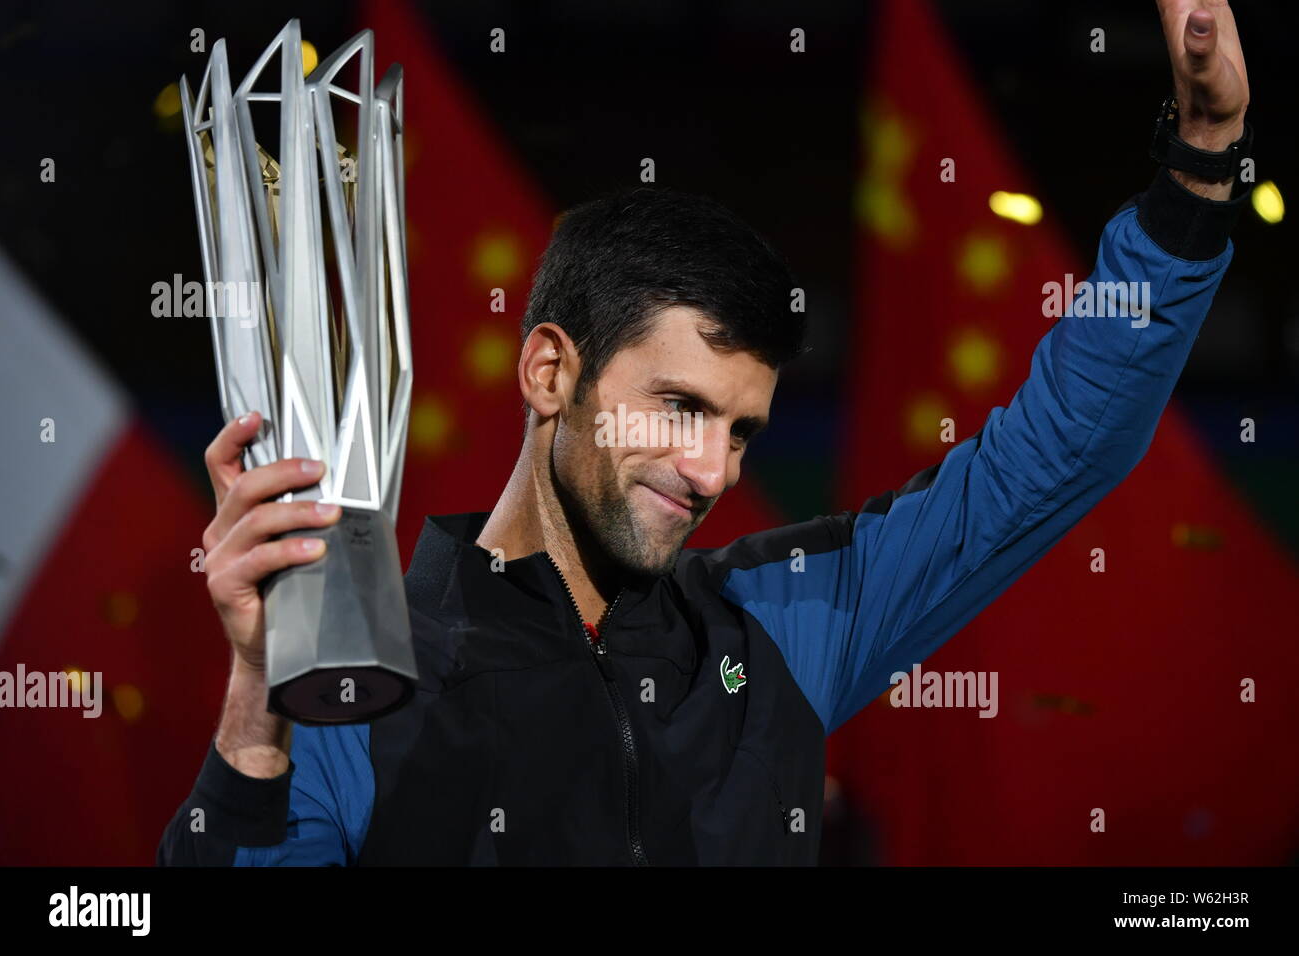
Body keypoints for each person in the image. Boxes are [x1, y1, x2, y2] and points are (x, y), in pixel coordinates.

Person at [159, 1, 1253, 865]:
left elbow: (1056, 452)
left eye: (741, 430)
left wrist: (1203, 161)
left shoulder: (782, 624)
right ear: (549, 370)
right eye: (679, 406)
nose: (712, 469)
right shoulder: (359, 688)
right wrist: (258, 707)